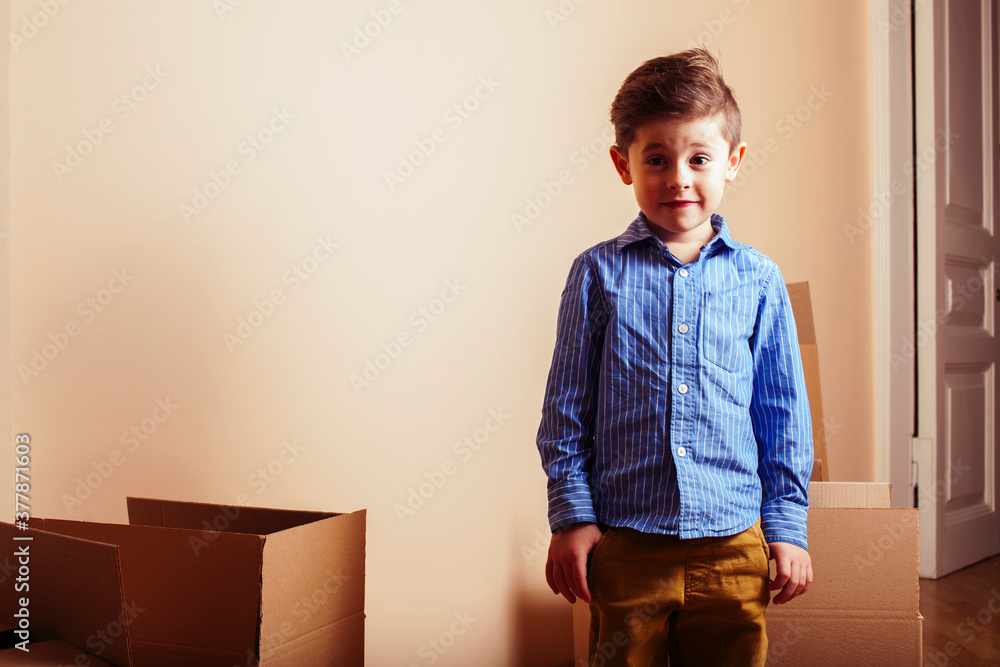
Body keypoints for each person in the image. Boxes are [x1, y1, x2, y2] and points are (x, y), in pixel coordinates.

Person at [535, 48, 814, 666]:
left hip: (735, 543)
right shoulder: (596, 273)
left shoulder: (759, 280)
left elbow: (782, 414)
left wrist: (787, 527)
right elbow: (566, 408)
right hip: (627, 541)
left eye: (699, 159)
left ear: (733, 161)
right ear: (623, 164)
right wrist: (572, 516)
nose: (678, 178)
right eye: (657, 159)